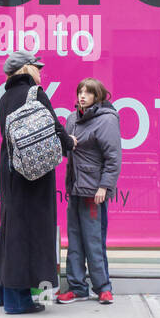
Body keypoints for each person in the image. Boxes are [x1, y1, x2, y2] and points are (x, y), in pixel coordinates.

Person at [0, 51, 71, 315]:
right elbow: (54, 129)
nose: (40, 71)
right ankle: (18, 300)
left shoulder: (3, 98)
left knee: (11, 228)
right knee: (29, 233)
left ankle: (0, 292)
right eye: (37, 67)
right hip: (33, 175)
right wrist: (69, 143)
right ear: (26, 69)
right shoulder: (35, 94)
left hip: (10, 170)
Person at [56, 78, 122, 306]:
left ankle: (103, 287)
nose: (82, 96)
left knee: (94, 241)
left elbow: (113, 158)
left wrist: (104, 186)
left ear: (98, 96)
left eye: (88, 92)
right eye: (80, 91)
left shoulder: (106, 120)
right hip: (75, 188)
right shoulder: (72, 118)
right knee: (74, 240)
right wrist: (65, 143)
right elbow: (68, 151)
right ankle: (77, 288)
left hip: (94, 191)